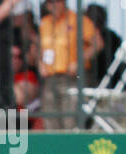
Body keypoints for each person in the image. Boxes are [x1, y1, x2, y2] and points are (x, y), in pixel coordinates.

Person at [40, 0, 99, 130]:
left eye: (56, 2)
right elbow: (40, 48)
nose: (52, 5)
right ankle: (53, 150)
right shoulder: (45, 23)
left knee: (70, 121)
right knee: (50, 121)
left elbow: (97, 43)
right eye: (49, 2)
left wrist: (79, 61)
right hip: (50, 79)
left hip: (72, 78)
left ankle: (72, 149)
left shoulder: (78, 20)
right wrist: (41, 64)